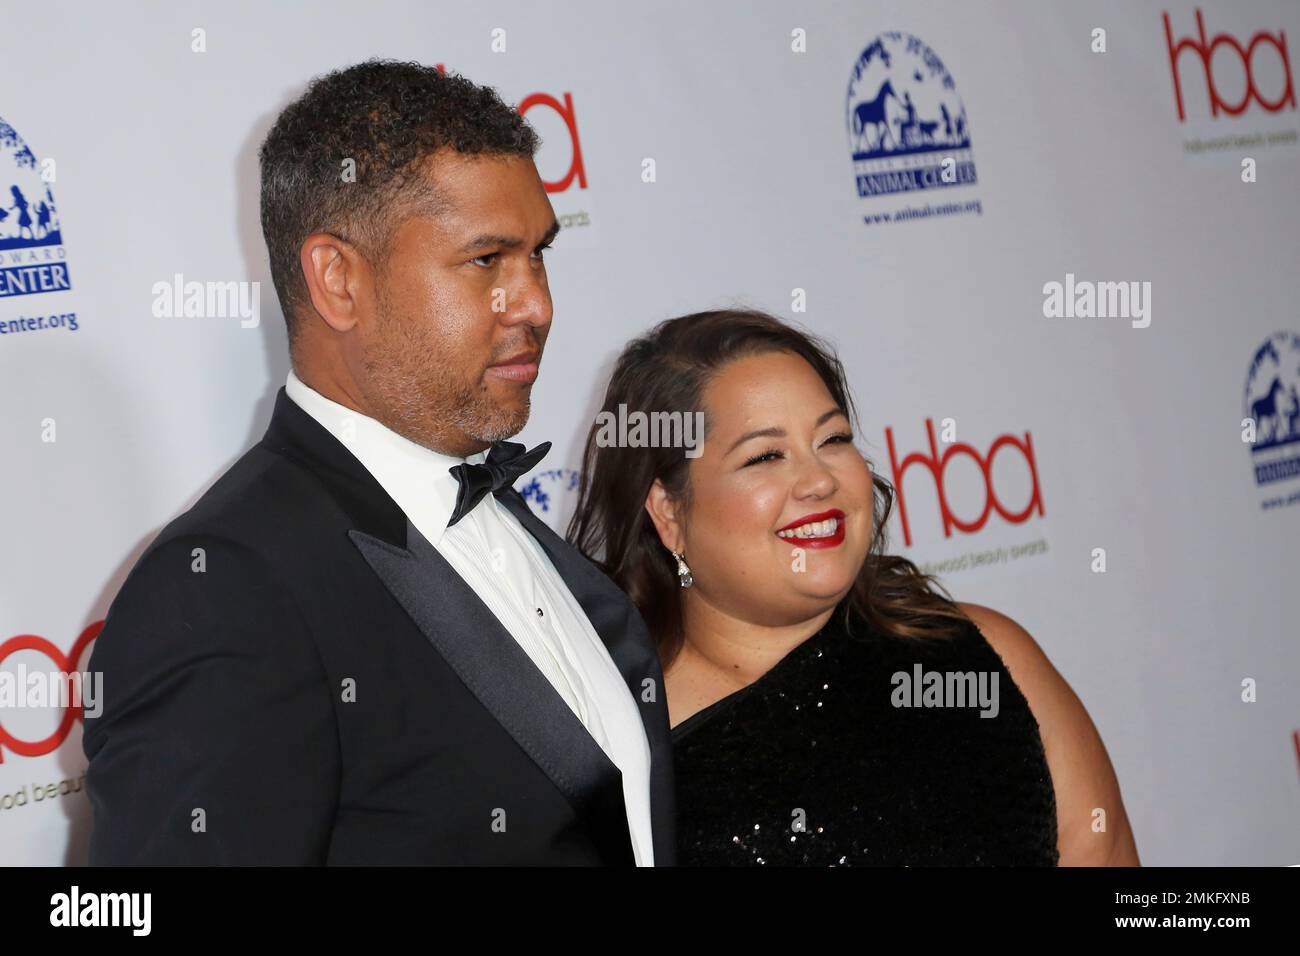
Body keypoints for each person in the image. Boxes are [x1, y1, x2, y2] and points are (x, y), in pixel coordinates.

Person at [82, 60, 674, 866]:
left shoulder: (508, 522)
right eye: (486, 261)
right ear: (337, 281)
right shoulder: (227, 589)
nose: (536, 302)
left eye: (538, 255)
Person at [568, 308, 1139, 866]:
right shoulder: (617, 744)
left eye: (833, 439)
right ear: (668, 510)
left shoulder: (987, 654)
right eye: (765, 455)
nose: (819, 480)